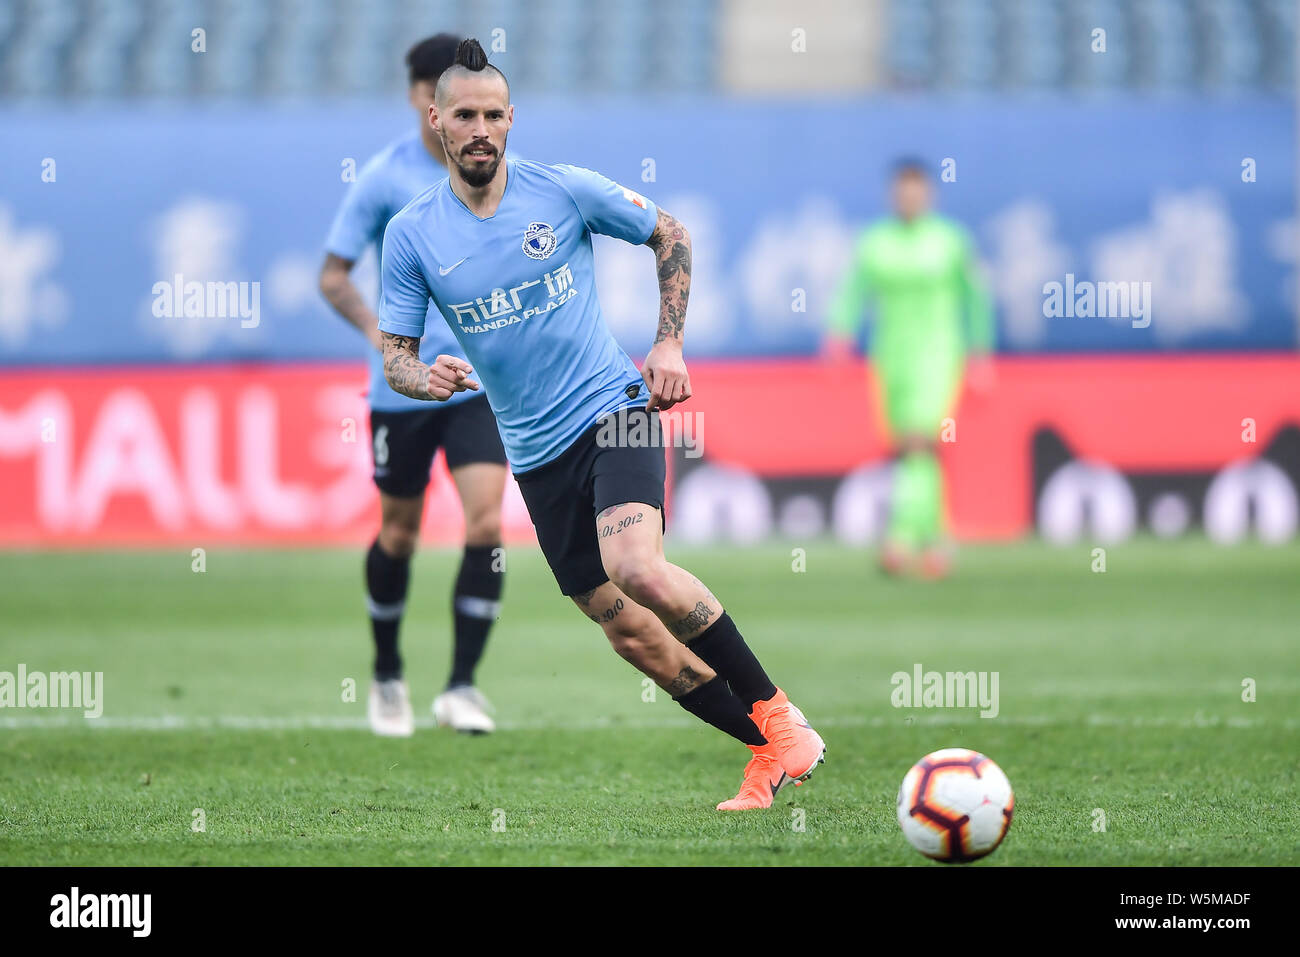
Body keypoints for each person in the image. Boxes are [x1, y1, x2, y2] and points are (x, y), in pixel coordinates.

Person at [376, 39, 826, 810]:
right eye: (463, 115)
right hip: (535, 455)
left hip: (614, 410)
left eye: (493, 114)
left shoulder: (562, 192)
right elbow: (395, 357)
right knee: (631, 634)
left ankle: (781, 715)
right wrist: (429, 378)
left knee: (637, 567)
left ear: (511, 120)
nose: (480, 128)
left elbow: (671, 234)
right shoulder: (413, 235)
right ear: (436, 121)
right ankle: (763, 752)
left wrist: (670, 340)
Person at [319, 34, 506, 736]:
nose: (464, 116)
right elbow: (332, 274)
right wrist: (379, 335)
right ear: (419, 99)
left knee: (486, 522)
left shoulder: (501, 175)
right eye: (444, 96)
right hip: (401, 387)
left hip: (477, 384)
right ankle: (388, 672)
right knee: (399, 533)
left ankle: (462, 685)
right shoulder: (384, 179)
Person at [824, 159, 995, 578]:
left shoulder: (950, 241)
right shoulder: (876, 242)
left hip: (938, 353)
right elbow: (853, 291)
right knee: (909, 447)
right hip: (891, 357)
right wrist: (840, 334)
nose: (909, 199)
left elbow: (976, 298)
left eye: (917, 191)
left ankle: (900, 535)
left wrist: (980, 352)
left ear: (930, 194)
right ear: (893, 195)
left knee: (920, 438)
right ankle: (937, 538)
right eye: (902, 191)